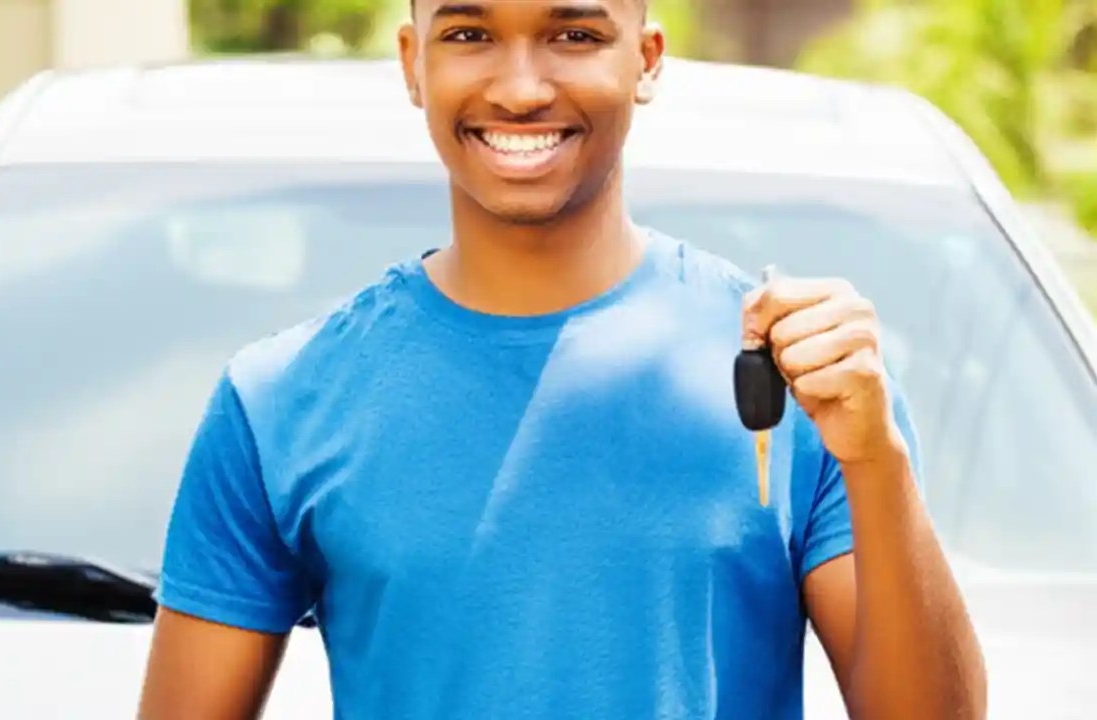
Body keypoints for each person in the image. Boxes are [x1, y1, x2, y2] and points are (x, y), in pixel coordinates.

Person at [137, 0, 987, 717]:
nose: (518, 89)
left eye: (574, 35)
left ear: (647, 60)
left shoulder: (801, 377)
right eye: (469, 35)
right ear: (411, 63)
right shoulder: (280, 400)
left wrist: (876, 459)